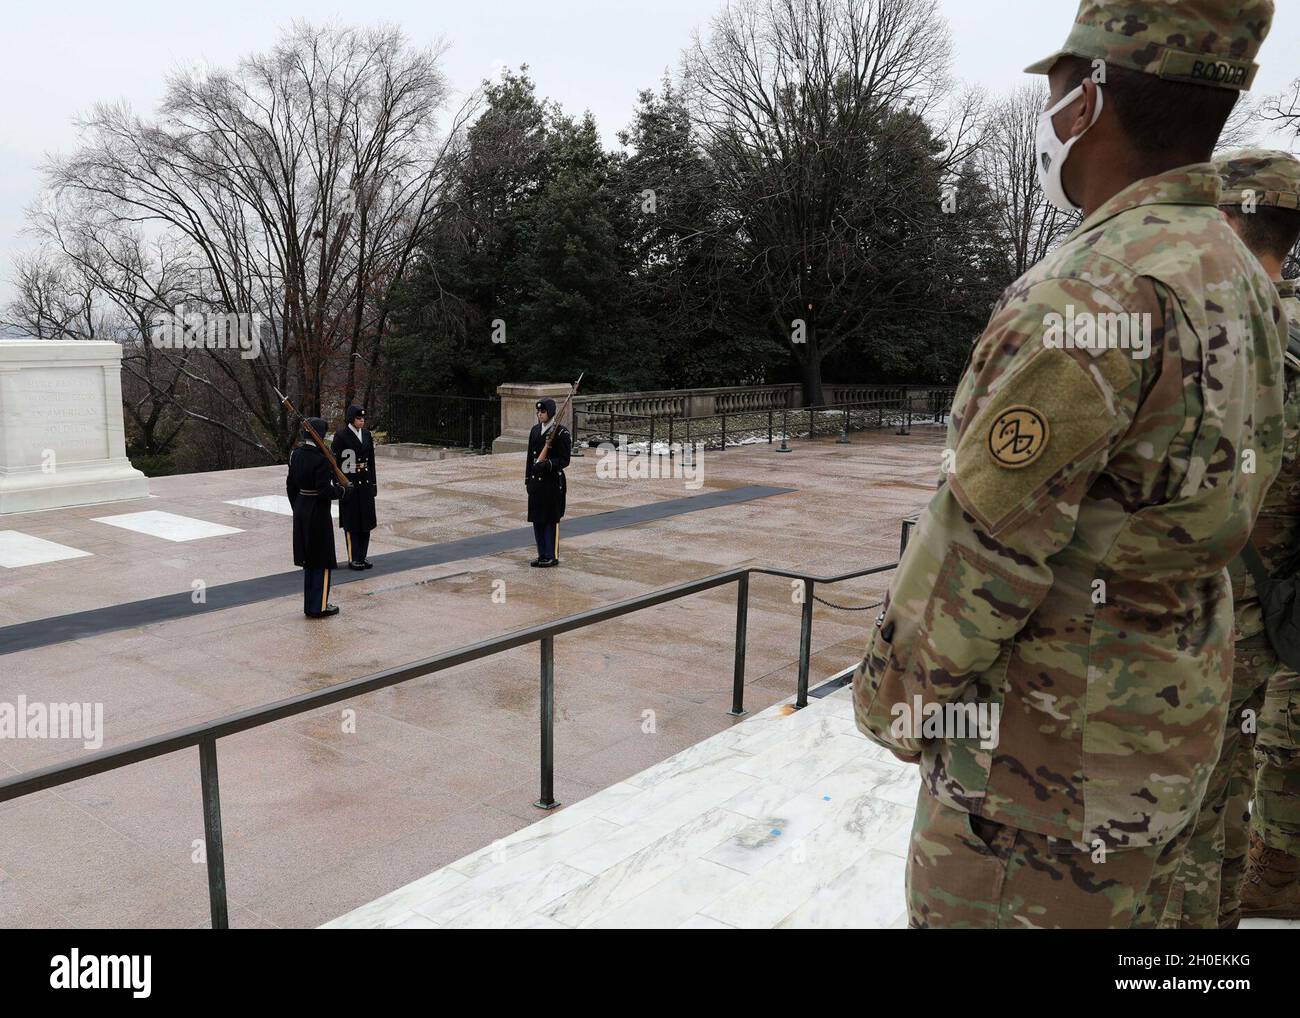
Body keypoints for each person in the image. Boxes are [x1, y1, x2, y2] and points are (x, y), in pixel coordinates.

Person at [851, 0, 1286, 928]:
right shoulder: (1237, 269)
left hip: (1039, 788)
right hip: (1168, 740)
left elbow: (981, 549)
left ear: (1089, 99)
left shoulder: (1095, 290)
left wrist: (892, 701)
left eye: (1054, 88)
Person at [1163, 150, 1300, 929]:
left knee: (1183, 819)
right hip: (1275, 626)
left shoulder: (1200, 337)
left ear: (1222, 219)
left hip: (1192, 635)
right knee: (1236, 791)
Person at [287, 417, 348, 618]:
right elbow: (324, 491)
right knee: (321, 560)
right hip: (318, 513)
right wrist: (342, 491)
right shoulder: (320, 459)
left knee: (309, 560)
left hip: (302, 508)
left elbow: (290, 485)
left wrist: (297, 506)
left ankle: (310, 604)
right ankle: (319, 606)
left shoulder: (295, 454)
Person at [525, 397, 571, 568]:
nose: (539, 414)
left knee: (551, 520)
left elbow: (565, 460)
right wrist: (528, 480)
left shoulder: (561, 433)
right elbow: (530, 458)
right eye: (538, 411)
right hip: (537, 483)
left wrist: (548, 464)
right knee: (537, 520)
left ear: (550, 413)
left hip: (552, 483)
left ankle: (552, 555)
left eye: (542, 411)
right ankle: (542, 554)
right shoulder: (535, 431)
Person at [332, 405, 378, 570]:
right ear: (351, 419)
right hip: (350, 482)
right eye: (359, 418)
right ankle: (353, 557)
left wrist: (373, 484)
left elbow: (370, 461)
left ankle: (362, 556)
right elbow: (336, 463)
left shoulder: (366, 434)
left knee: (366, 521)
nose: (362, 421)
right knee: (352, 523)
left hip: (364, 482)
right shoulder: (341, 436)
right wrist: (339, 485)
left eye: (363, 419)